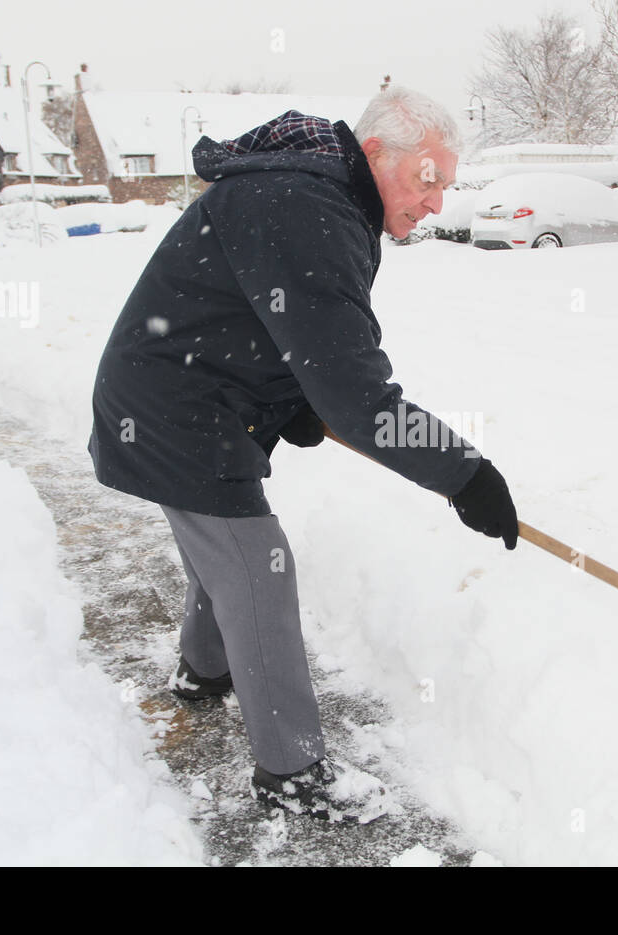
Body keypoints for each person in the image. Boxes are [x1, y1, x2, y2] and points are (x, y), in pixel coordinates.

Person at [86, 86, 518, 823]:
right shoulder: (305, 206)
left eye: (447, 184)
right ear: (377, 153)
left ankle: (205, 671)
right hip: (177, 409)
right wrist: (466, 474)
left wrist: (295, 401)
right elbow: (361, 398)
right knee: (256, 565)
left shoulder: (316, 193)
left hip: (182, 393)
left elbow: (274, 319)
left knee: (221, 555)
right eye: (429, 178)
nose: (438, 202)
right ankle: (292, 773)